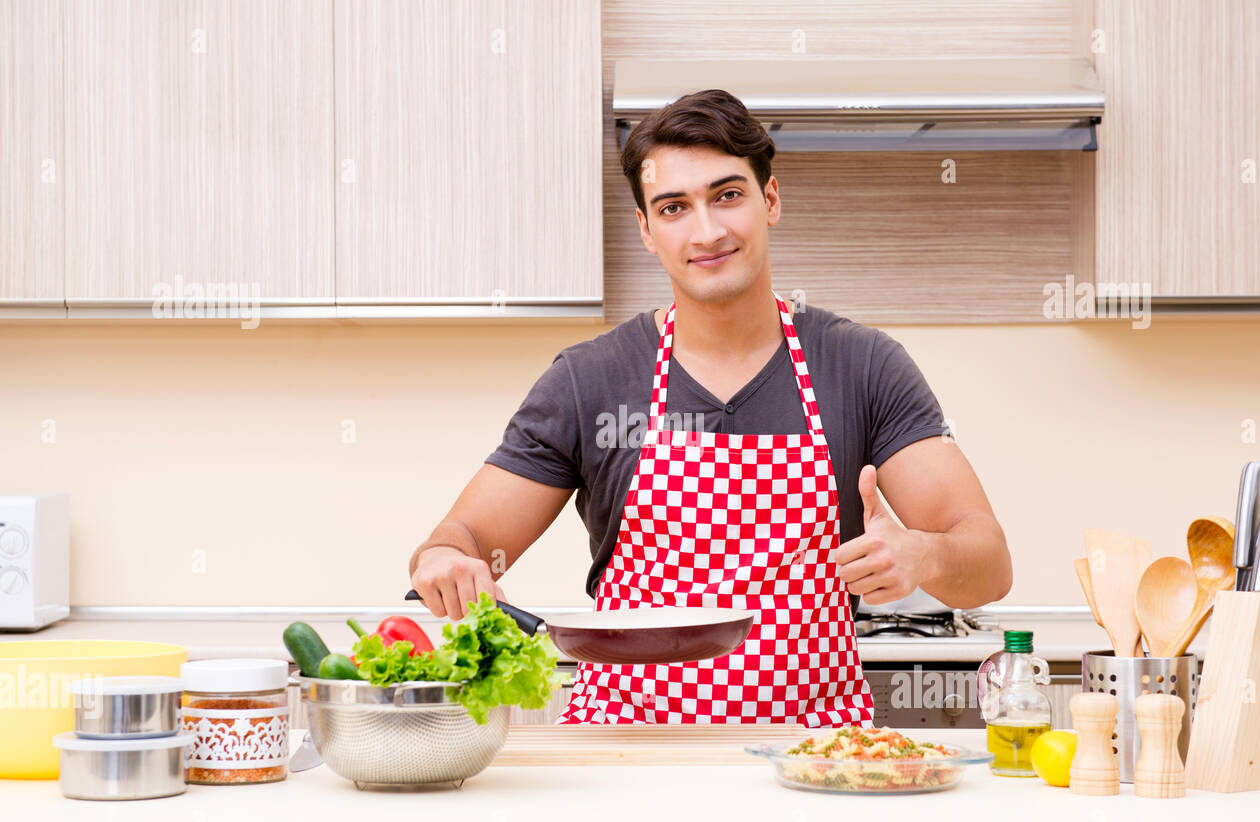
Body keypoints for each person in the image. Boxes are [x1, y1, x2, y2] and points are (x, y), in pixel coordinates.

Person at [409, 88, 1012, 725]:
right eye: (674, 207)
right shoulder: (590, 380)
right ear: (646, 229)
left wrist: (924, 556)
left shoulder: (863, 367)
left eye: (727, 195)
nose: (708, 231)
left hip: (811, 759)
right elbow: (465, 539)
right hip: (627, 754)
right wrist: (443, 559)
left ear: (770, 199)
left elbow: (989, 563)